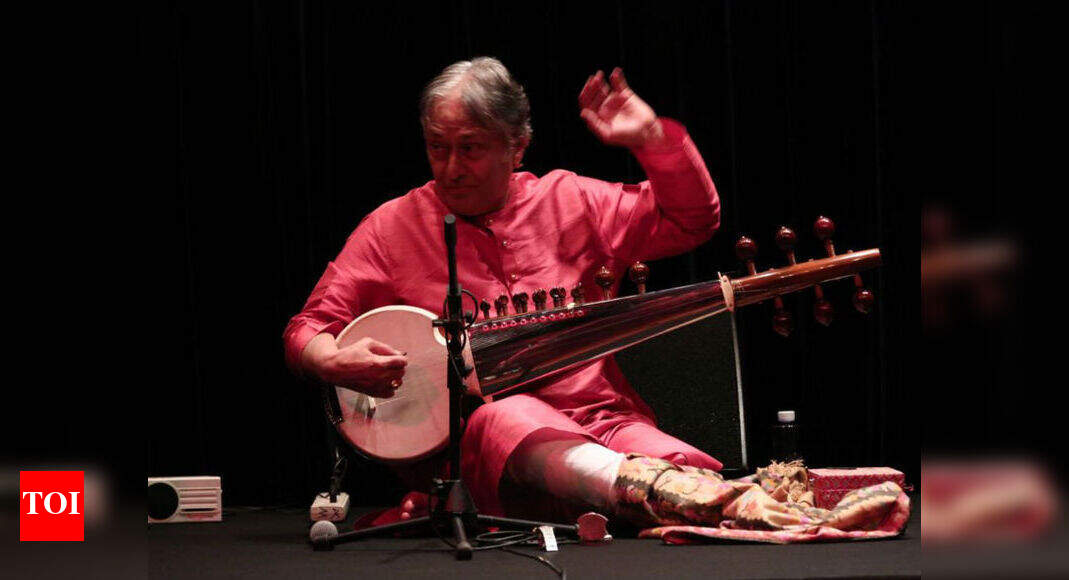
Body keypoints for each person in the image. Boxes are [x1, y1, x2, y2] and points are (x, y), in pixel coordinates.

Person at [283, 57, 726, 526]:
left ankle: (628, 495)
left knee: (691, 475)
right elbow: (307, 327)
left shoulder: (571, 200)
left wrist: (650, 137)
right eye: (437, 148)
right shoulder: (392, 228)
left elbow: (692, 221)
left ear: (517, 148)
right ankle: (627, 493)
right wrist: (328, 360)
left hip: (601, 424)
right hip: (483, 455)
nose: (451, 169)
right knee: (509, 416)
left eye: (470, 148)